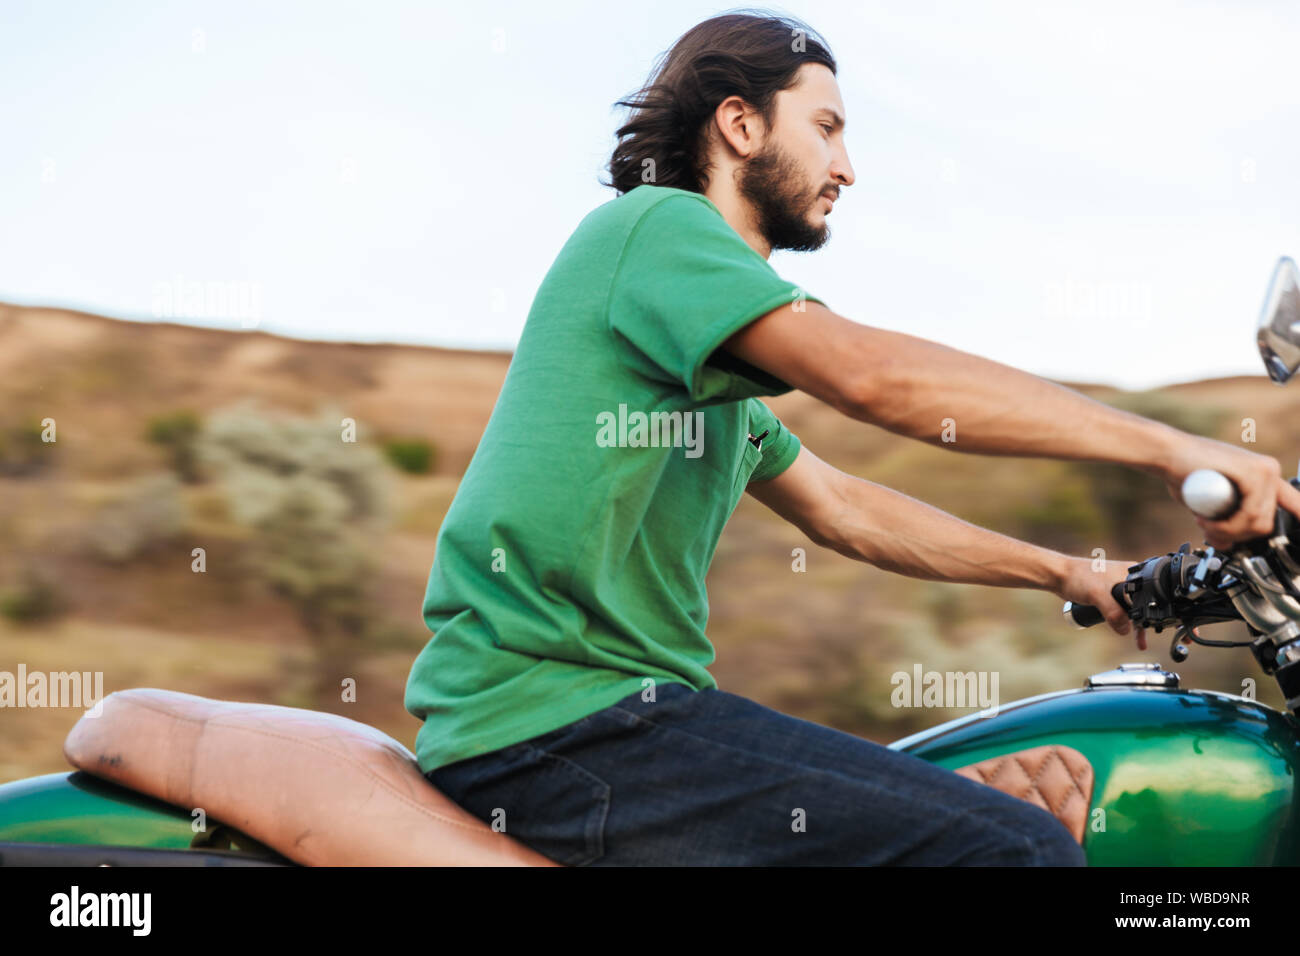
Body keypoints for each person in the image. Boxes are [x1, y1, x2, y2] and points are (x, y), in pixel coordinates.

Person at [404, 11, 1300, 866]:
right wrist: (1172, 448)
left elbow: (844, 507)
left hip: (607, 724)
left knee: (1004, 807)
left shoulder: (702, 368)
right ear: (740, 125)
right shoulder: (654, 229)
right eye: (826, 128)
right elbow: (873, 379)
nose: (847, 167)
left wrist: (1069, 571)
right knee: (1014, 846)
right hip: (555, 723)